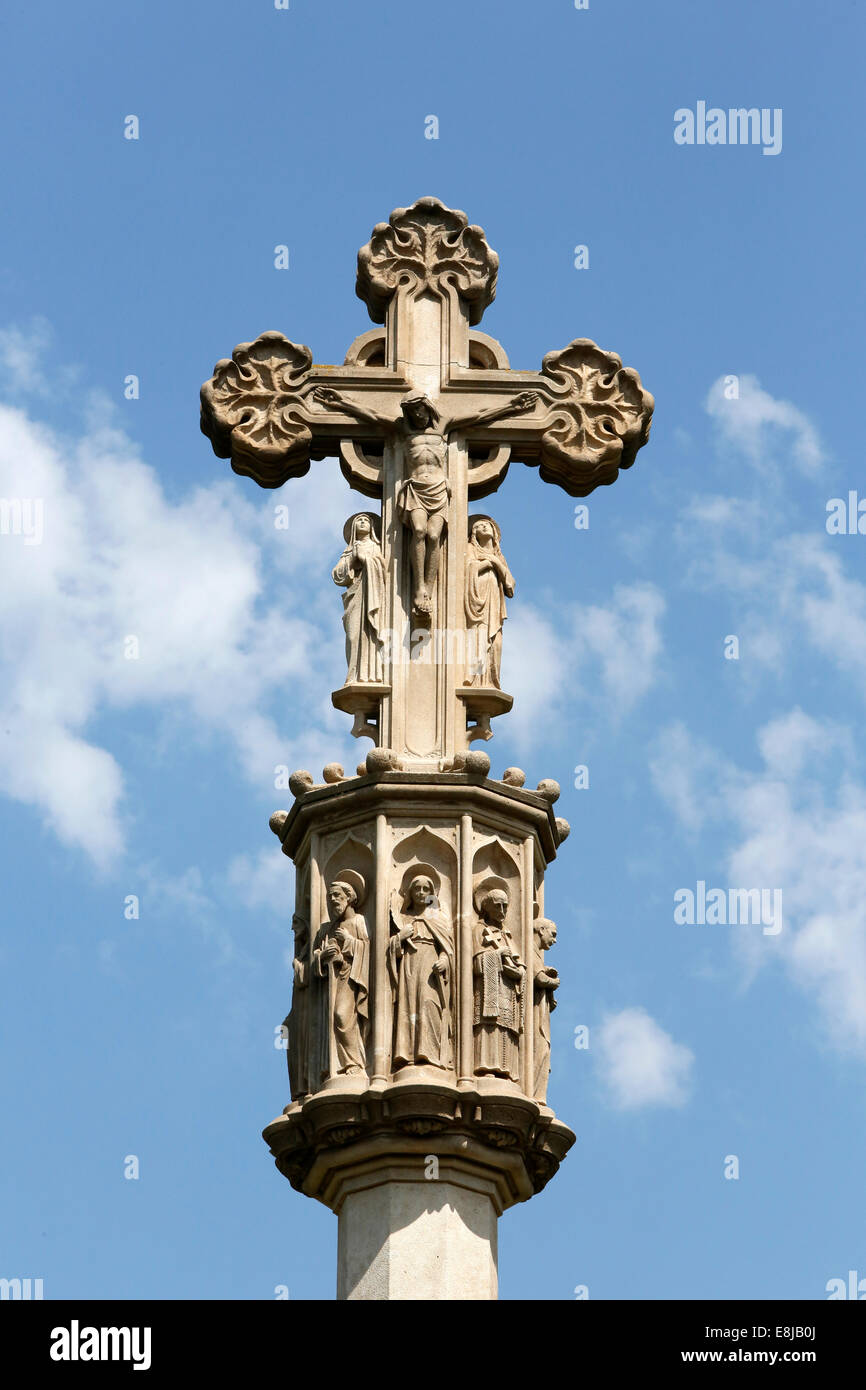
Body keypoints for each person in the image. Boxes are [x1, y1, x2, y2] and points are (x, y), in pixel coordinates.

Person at [388, 870, 454, 1070]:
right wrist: (400, 937)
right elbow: (393, 949)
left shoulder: (437, 917)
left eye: (426, 889)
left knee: (428, 1003)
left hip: (430, 964)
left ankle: (430, 1053)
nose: (421, 892)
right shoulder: (404, 919)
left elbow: (448, 947)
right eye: (417, 888)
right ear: (410, 892)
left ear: (432, 893)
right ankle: (406, 1053)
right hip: (410, 963)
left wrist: (444, 960)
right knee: (408, 1007)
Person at [311, 874, 369, 1081]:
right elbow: (316, 956)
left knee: (342, 1016)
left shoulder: (358, 921)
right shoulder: (327, 929)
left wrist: (350, 942)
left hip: (352, 978)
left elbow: (369, 950)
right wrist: (322, 957)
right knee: (331, 1019)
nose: (333, 900)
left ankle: (355, 1063)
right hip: (332, 981)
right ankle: (337, 1065)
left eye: (337, 895)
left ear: (349, 897)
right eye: (329, 896)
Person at [332, 512, 386, 683]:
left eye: (366, 520)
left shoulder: (376, 548)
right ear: (354, 528)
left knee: (371, 634)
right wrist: (352, 560)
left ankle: (373, 674)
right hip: (355, 596)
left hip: (374, 595)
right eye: (359, 520)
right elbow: (337, 576)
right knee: (353, 635)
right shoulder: (349, 550)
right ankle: (353, 674)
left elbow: (384, 569)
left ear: (372, 527)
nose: (362, 522)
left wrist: (365, 560)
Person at [464, 515, 514, 688]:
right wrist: (486, 563)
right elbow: (468, 568)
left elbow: (510, 585)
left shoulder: (498, 556)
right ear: (473, 533)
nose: (483, 527)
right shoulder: (470, 548)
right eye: (478, 526)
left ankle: (491, 681)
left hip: (494, 605)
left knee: (496, 644)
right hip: (477, 603)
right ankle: (475, 678)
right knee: (478, 638)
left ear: (494, 532)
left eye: (487, 525)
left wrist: (495, 562)